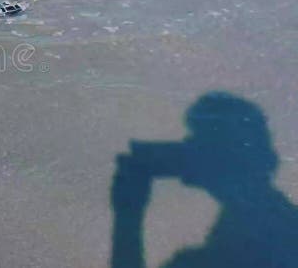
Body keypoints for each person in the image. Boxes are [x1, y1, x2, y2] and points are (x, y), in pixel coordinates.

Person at [111, 92, 298, 268]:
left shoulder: (256, 236)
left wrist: (128, 215)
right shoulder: (276, 224)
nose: (187, 145)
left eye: (198, 139)